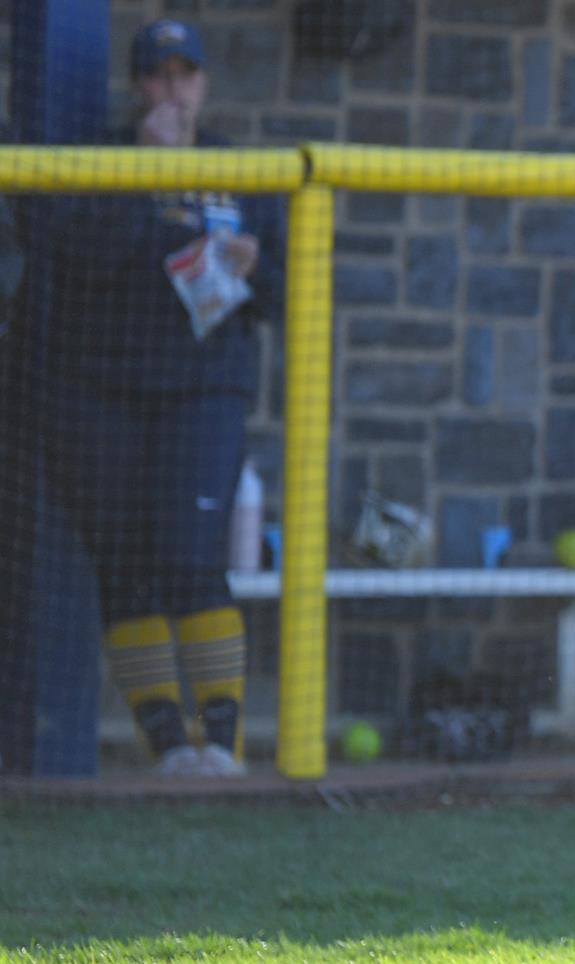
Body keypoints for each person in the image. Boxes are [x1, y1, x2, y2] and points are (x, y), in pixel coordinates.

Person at [35, 19, 285, 776]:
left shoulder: (241, 174)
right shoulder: (100, 162)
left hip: (203, 390)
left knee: (189, 555)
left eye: (186, 73)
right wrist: (149, 169)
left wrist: (249, 263)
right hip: (100, 392)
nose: (172, 88)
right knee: (125, 563)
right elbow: (81, 260)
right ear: (137, 84)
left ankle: (224, 747)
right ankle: (170, 751)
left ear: (204, 83)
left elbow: (277, 294)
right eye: (157, 74)